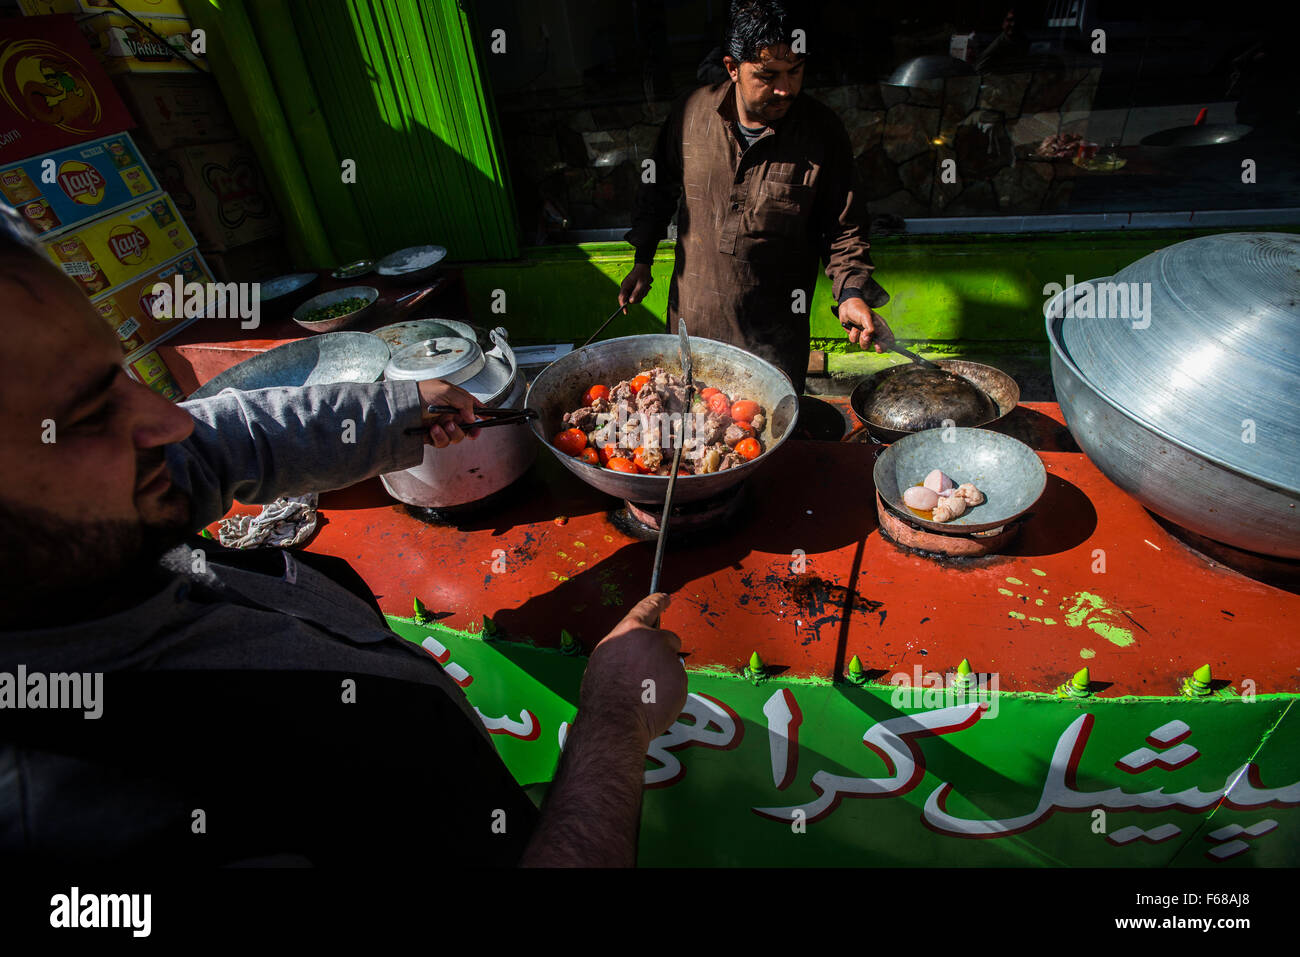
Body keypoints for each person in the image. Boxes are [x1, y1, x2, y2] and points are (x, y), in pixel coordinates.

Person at [0, 206, 687, 868]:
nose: (167, 421)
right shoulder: (84, 817)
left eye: (119, 377)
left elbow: (219, 440)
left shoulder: (81, 537)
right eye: (90, 413)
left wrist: (394, 414)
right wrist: (616, 722)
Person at [620, 0, 890, 395]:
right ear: (733, 68)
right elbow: (657, 187)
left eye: (795, 72)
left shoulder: (821, 133)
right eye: (768, 76)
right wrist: (643, 258)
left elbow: (843, 227)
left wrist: (850, 293)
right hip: (693, 326)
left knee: (765, 440)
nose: (785, 88)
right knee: (691, 437)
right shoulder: (691, 115)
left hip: (773, 341)